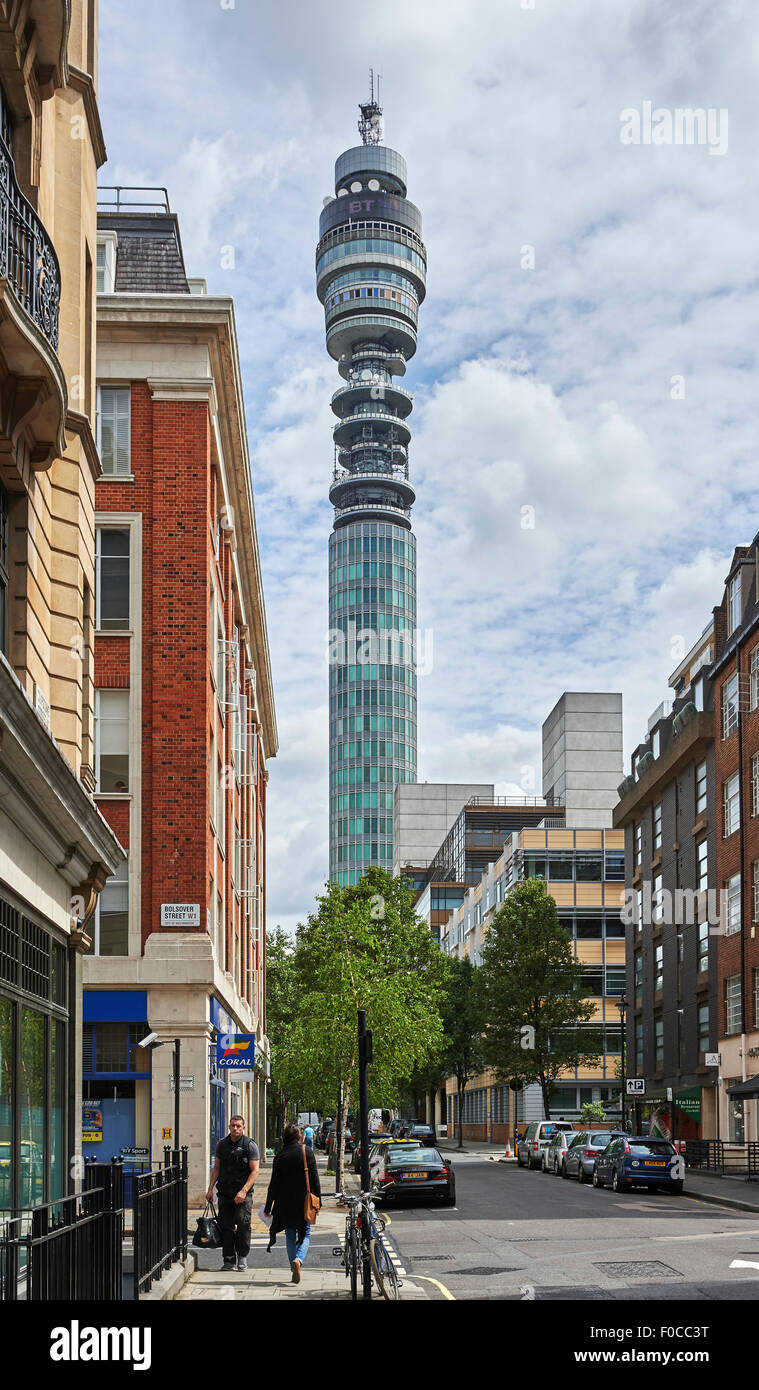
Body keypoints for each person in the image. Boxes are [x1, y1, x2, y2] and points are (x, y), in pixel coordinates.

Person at [264, 1122, 321, 1285]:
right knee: (306, 1233)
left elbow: (273, 1184)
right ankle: (299, 1260)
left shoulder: (280, 1156)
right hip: (304, 1201)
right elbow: (315, 1180)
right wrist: (318, 1202)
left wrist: (268, 1207)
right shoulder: (306, 1152)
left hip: (284, 1202)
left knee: (290, 1234)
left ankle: (293, 1268)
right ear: (298, 1137)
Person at [206, 1115, 259, 1271]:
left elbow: (255, 1171)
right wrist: (210, 1189)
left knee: (243, 1224)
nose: (235, 1128)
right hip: (225, 1193)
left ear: (243, 1128)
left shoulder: (250, 1145)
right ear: (229, 1127)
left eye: (238, 1126)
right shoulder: (222, 1145)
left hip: (243, 1194)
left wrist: (243, 1191)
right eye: (232, 1126)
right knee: (227, 1227)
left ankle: (242, 1256)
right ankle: (228, 1260)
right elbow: (216, 1168)